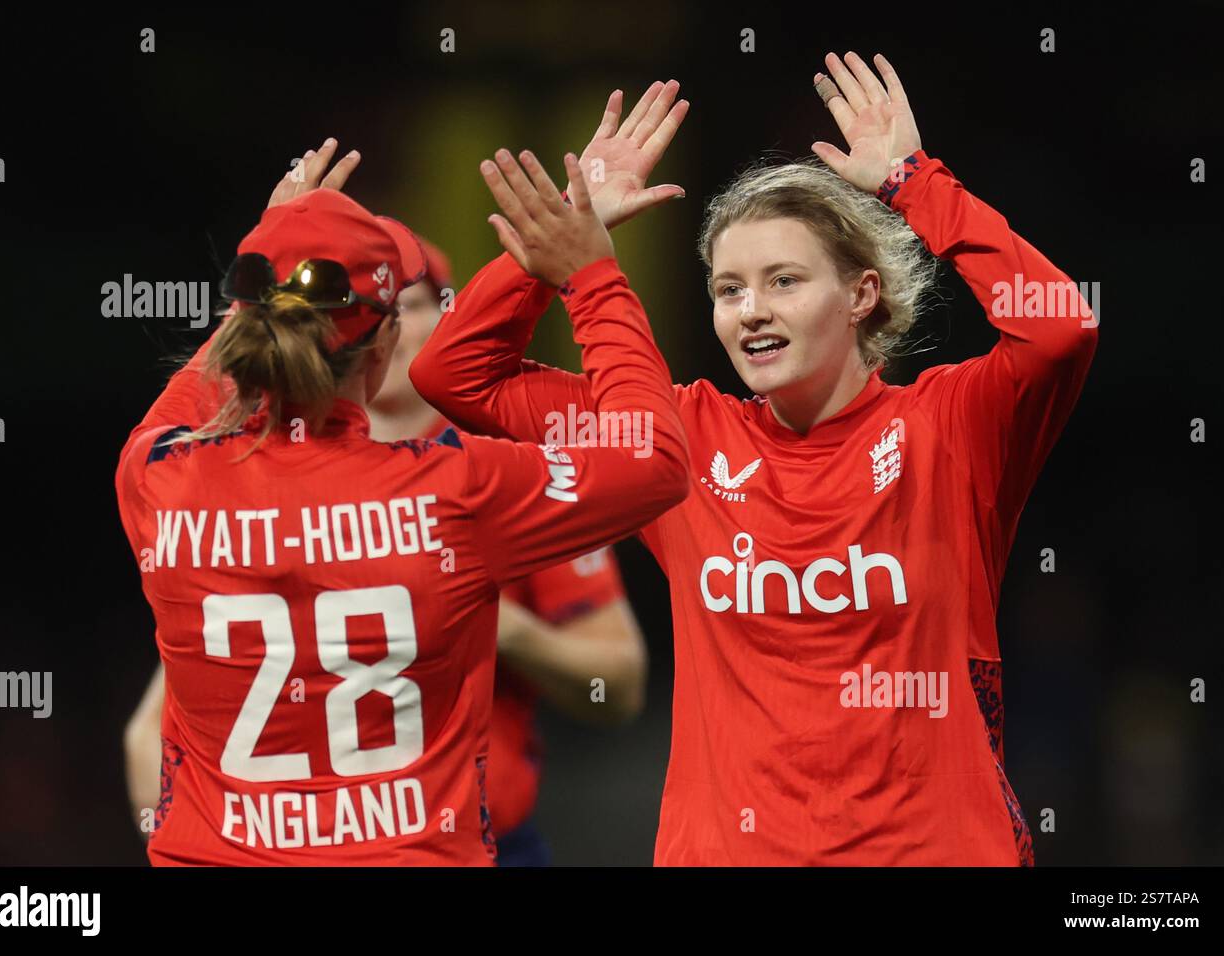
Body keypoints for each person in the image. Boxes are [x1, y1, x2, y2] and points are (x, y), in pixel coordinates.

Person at [409, 56, 1098, 865]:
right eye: (729, 289)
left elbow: (1059, 327)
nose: (752, 312)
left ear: (861, 294)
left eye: (783, 281)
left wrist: (916, 182)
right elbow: (452, 374)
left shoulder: (949, 428)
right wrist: (563, 240)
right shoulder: (681, 437)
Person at [114, 146, 689, 864]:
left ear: (248, 326)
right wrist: (588, 274)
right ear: (387, 340)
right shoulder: (459, 488)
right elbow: (658, 462)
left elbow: (217, 379)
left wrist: (276, 251)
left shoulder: (156, 478)